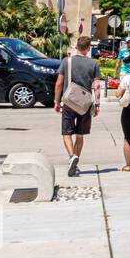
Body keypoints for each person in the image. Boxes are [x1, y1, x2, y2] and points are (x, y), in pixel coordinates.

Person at [54, 36, 103, 178]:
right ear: (88, 49)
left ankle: (71, 157)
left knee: (66, 133)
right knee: (80, 135)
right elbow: (97, 85)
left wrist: (57, 101)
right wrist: (97, 104)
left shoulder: (66, 61)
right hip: (85, 104)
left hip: (69, 101)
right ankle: (75, 160)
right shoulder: (93, 63)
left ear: (77, 47)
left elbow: (58, 83)